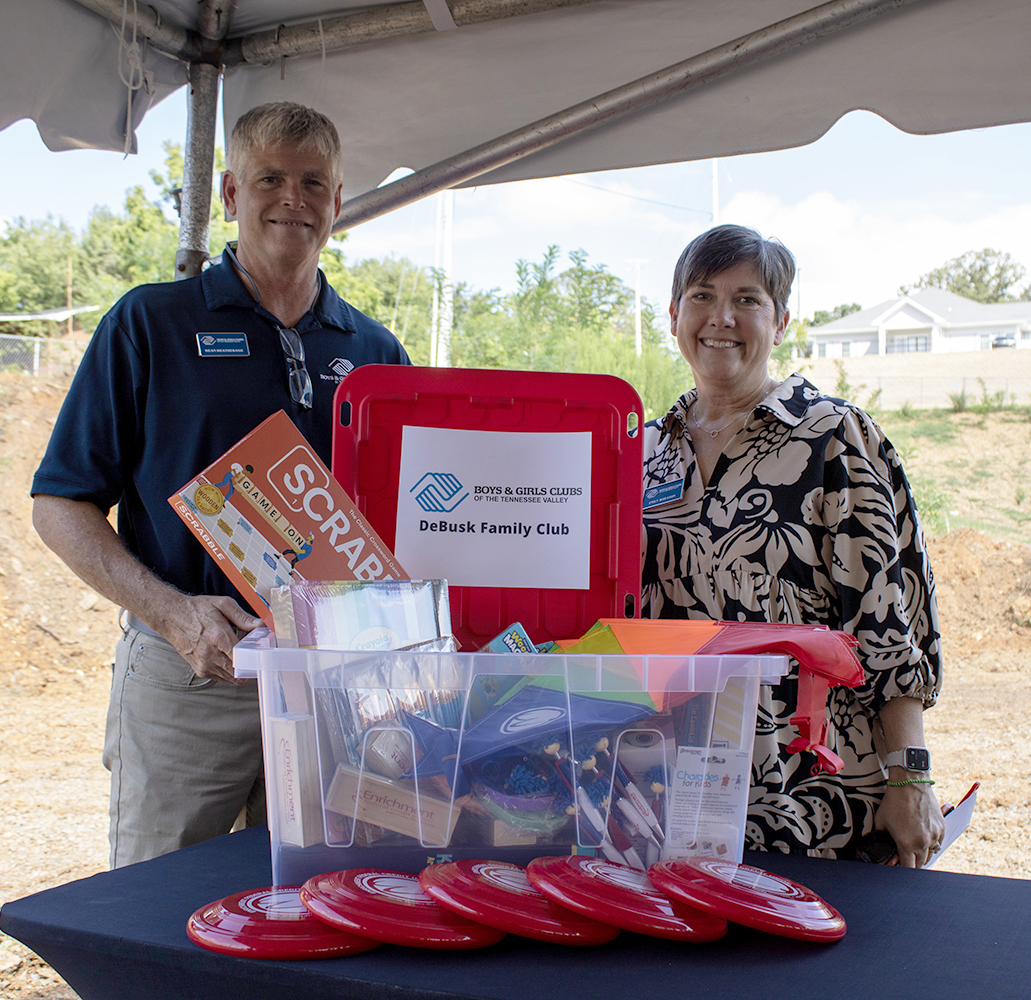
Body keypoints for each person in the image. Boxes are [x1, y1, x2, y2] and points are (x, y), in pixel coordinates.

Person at [31, 102, 411, 868]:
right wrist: (172, 615)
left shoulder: (376, 353)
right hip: (190, 676)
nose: (293, 200)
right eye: (270, 178)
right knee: (156, 910)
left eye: (314, 183)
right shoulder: (150, 322)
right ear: (232, 195)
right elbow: (58, 503)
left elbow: (406, 522)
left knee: (315, 900)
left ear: (339, 201)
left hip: (327, 685)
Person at [641, 224, 945, 868]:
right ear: (673, 316)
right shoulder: (641, 450)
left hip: (810, 797)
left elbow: (886, 617)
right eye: (702, 295)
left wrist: (910, 776)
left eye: (747, 299)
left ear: (781, 322)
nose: (721, 318)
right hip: (669, 792)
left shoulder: (831, 437)